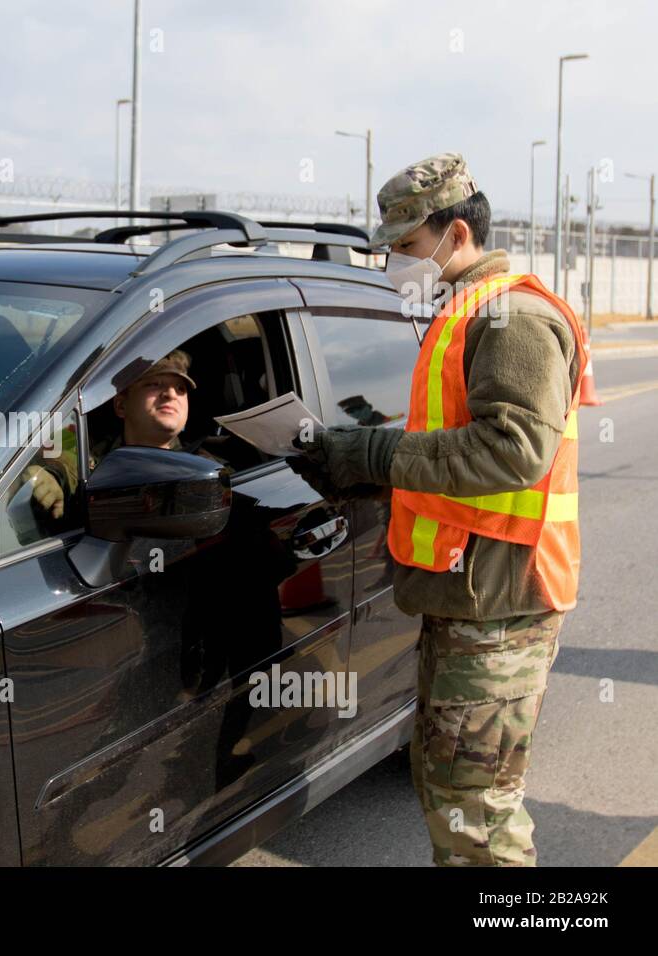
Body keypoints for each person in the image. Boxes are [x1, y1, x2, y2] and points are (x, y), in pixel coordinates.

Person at [290, 153, 586, 867]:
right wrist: (351, 454)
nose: (395, 262)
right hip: (470, 595)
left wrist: (372, 455)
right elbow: (443, 444)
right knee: (450, 789)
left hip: (503, 602)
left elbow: (513, 452)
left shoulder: (511, 317)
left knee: (476, 817)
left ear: (456, 233)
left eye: (405, 247)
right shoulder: (465, 312)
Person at [23, 349, 231, 521]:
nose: (170, 394)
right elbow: (65, 470)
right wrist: (50, 478)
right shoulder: (93, 460)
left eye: (180, 388)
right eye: (154, 384)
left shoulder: (208, 467)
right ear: (121, 405)